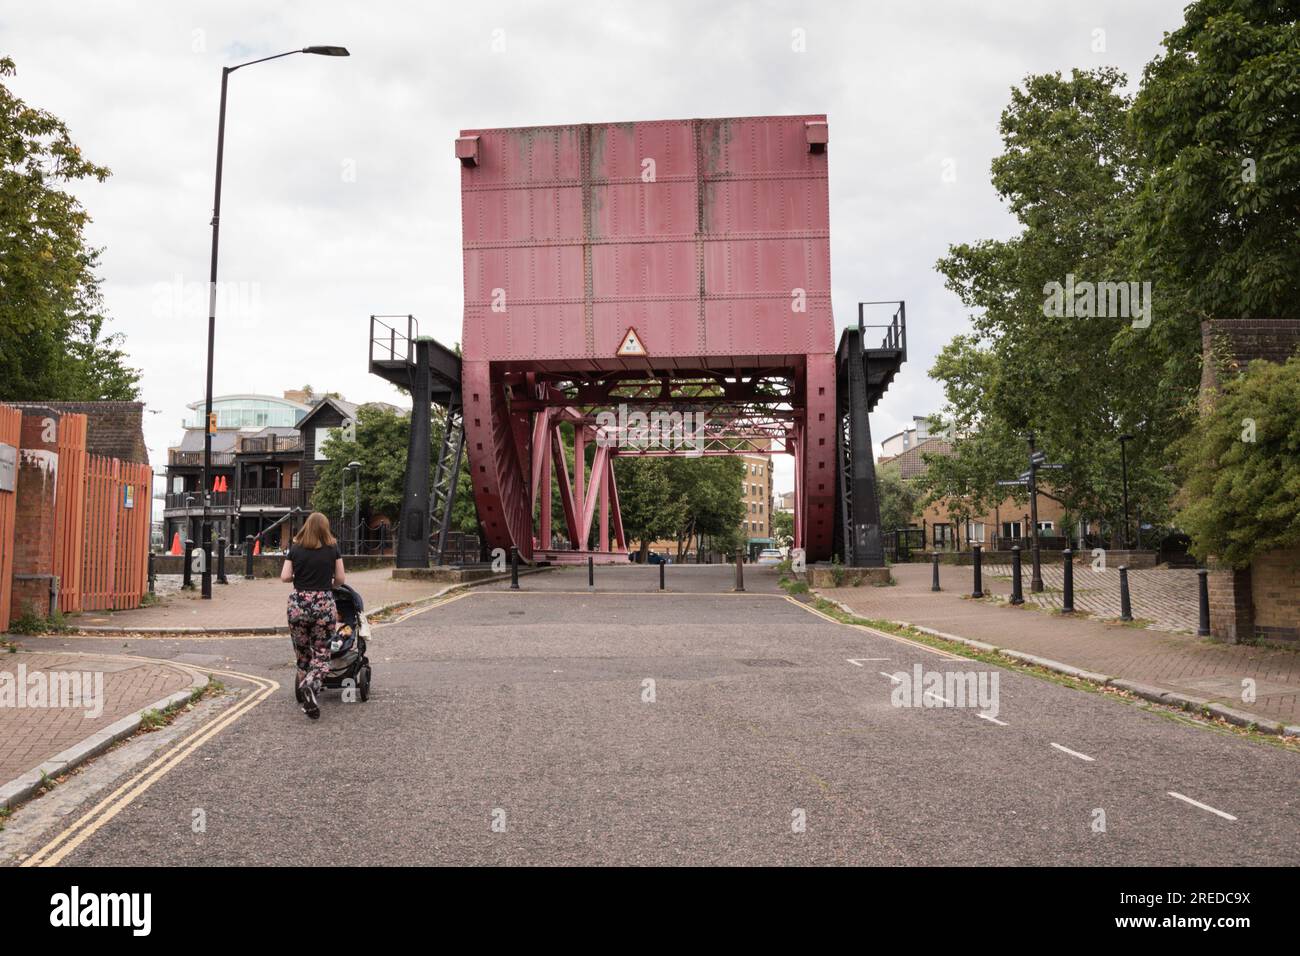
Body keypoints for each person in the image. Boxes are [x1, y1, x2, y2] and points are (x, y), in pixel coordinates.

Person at [280, 512, 345, 720]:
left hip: (298, 604)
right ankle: (311, 683)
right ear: (325, 528)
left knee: (303, 650)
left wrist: (300, 578)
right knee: (322, 652)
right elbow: (341, 579)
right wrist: (330, 586)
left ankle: (304, 679)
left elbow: (285, 577)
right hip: (323, 604)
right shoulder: (332, 548)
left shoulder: (295, 548)